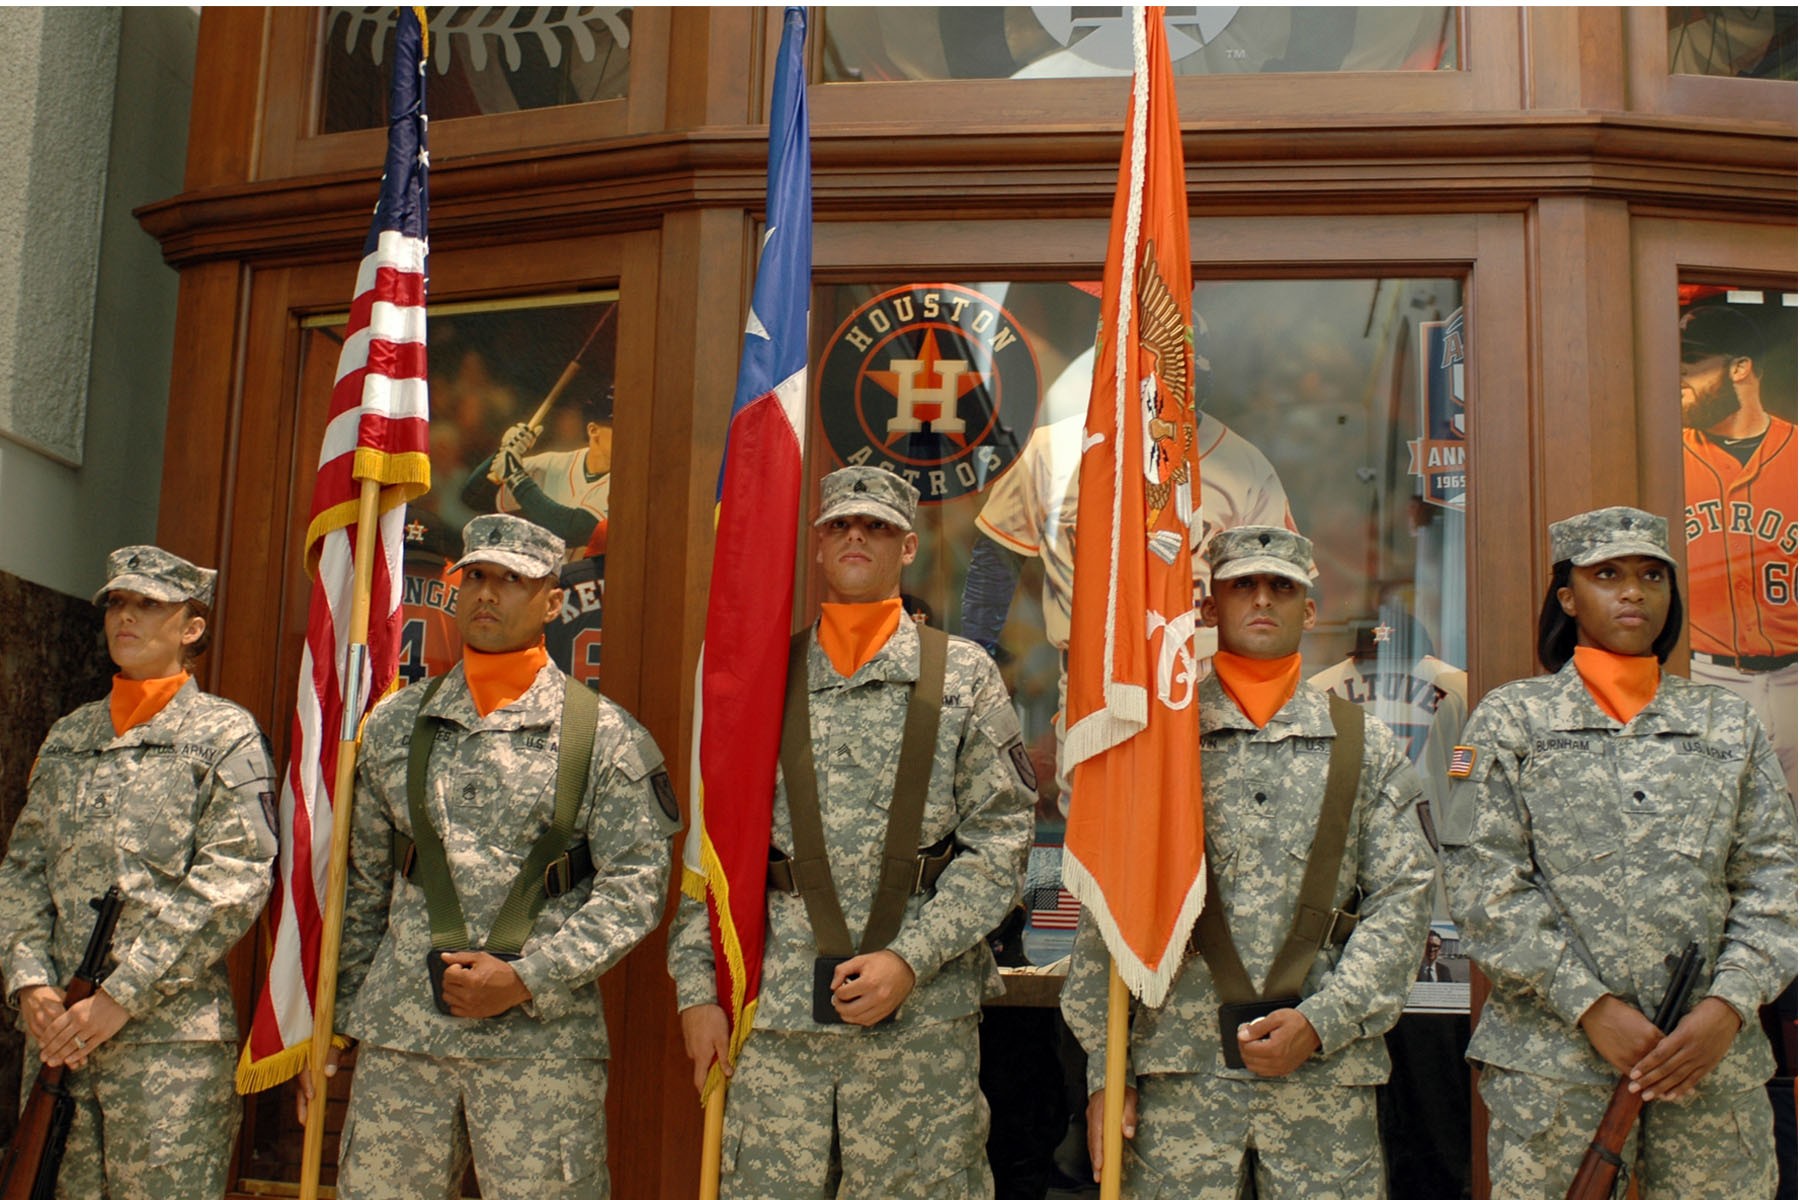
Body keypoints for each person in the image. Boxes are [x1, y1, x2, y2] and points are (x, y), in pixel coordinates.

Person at [667, 465, 1037, 1198]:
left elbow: (1001, 846)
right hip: (775, 1033)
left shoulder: (962, 677)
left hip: (918, 1034)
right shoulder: (763, 675)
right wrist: (694, 989)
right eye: (840, 525)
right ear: (818, 547)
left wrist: (910, 958)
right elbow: (716, 843)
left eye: (877, 526)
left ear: (907, 548)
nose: (857, 536)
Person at [305, 513, 680, 1199]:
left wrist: (530, 976)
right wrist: (336, 1023)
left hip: (539, 1051)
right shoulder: (392, 725)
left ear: (552, 600)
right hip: (404, 1041)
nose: (486, 593)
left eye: (511, 580)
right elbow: (362, 887)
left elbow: (636, 889)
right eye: (475, 575)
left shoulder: (603, 736)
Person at [1065, 526, 1435, 1198]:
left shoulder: (1364, 745)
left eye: (1282, 587)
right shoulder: (1156, 745)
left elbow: (1405, 901)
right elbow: (1106, 916)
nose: (1262, 600)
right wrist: (1105, 1074)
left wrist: (1326, 1019)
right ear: (1208, 608)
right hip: (1181, 1082)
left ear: (1310, 609)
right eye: (1243, 585)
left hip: (1323, 1083)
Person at [1441, 505, 1797, 1199]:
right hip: (1556, 1065)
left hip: (1707, 1071)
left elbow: (1775, 883)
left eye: (1651, 575)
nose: (1633, 591)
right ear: (1568, 597)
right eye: (1607, 574)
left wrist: (1726, 1006)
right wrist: (1590, 1006)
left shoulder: (1728, 723)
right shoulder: (1512, 720)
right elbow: (1484, 887)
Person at [0, 545, 277, 1199]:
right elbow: (22, 871)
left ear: (192, 626)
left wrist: (124, 995)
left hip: (166, 1050)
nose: (125, 617)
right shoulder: (71, 735)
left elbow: (236, 878)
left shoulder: (225, 735)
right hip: (59, 1041)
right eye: (117, 604)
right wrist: (31, 982)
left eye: (148, 604)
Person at [1678, 304, 1797, 795]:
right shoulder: (1666, 451)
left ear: (1740, 368)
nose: (1678, 376)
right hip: (1704, 675)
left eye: (1693, 363)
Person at [461, 386, 613, 559]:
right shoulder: (554, 463)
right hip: (539, 581)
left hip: (589, 584)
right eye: (619, 426)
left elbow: (572, 529)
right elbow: (474, 496)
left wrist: (517, 478)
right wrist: (504, 451)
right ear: (593, 430)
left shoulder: (631, 483)